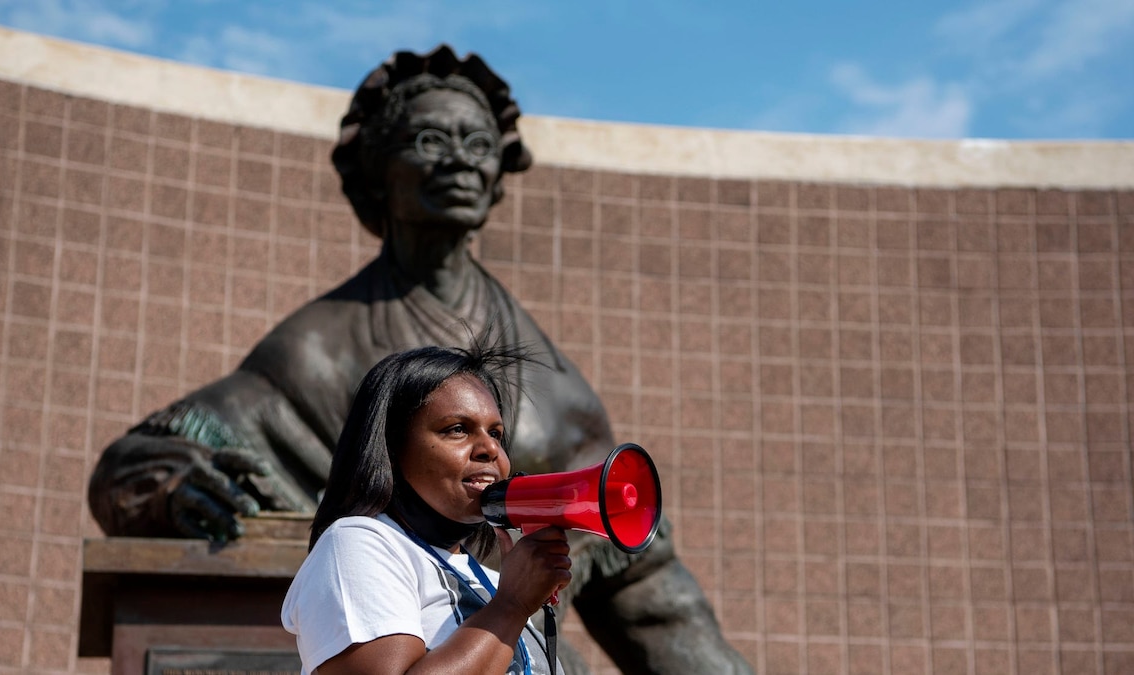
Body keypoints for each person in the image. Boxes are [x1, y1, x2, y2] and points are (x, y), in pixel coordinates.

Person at [89, 45, 753, 674]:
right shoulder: (315, 349)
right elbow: (148, 456)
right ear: (380, 169)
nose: (459, 160)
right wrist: (171, 481)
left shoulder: (554, 384)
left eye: (479, 145)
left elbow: (649, 584)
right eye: (430, 141)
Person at [282, 344, 568, 675]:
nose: (490, 448)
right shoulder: (356, 545)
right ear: (391, 448)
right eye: (457, 429)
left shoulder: (493, 582)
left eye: (496, 433)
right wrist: (512, 605)